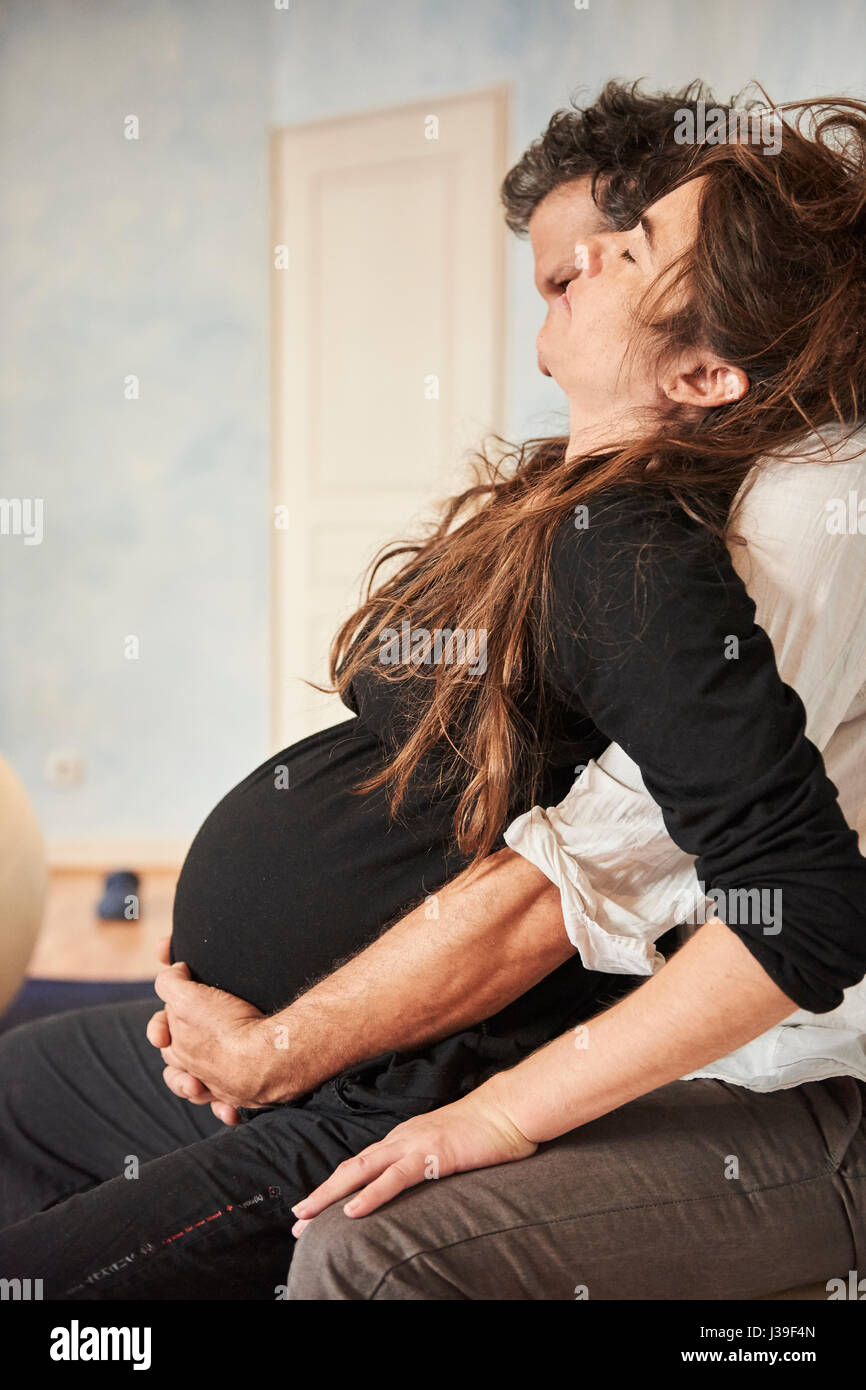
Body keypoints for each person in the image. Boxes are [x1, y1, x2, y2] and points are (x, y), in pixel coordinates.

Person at [2, 83, 866, 1302]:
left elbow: (796, 901)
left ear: (707, 371)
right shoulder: (565, 509)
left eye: (631, 250)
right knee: (15, 1095)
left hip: (398, 1075)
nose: (588, 257)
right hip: (297, 1035)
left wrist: (406, 1085)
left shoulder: (639, 543)